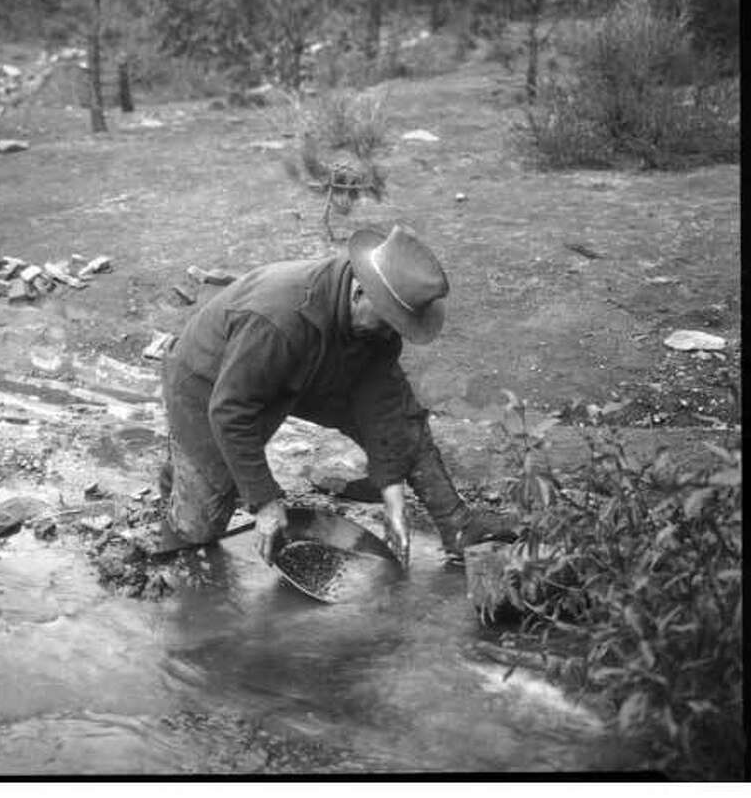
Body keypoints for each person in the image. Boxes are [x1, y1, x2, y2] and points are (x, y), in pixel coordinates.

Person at [158, 224, 515, 566]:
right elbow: (230, 413)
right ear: (359, 292)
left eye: (398, 325)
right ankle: (179, 512)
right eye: (388, 322)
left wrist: (393, 496)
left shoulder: (375, 322)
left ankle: (458, 527)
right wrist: (266, 502)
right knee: (201, 525)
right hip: (206, 387)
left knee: (405, 424)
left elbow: (383, 407)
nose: (393, 334)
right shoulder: (278, 320)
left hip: (306, 368)